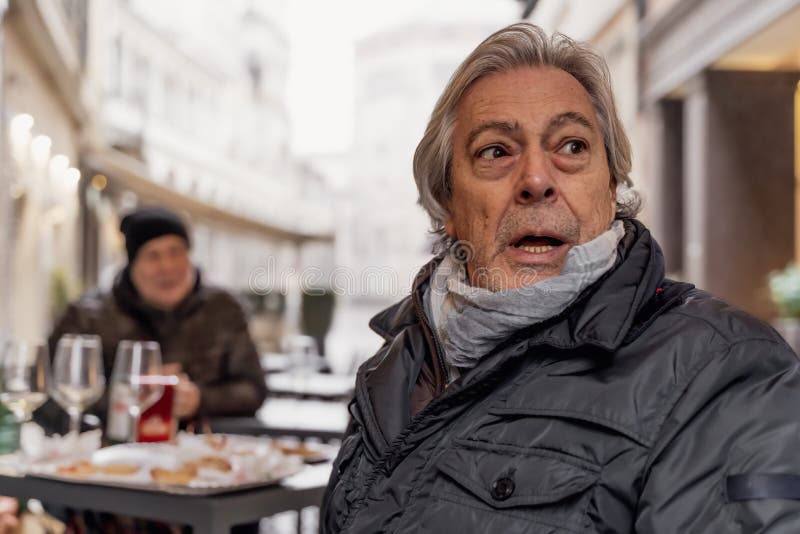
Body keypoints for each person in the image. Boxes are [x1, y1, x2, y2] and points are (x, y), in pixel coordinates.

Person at [320, 23, 800, 533]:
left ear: (611, 186)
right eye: (496, 151)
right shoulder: (398, 359)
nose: (535, 180)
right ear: (448, 203)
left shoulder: (725, 368)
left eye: (571, 146)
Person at [42, 206, 268, 431]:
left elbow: (254, 390)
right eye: (153, 255)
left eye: (175, 251)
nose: (167, 266)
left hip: (200, 448)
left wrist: (199, 399)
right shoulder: (86, 316)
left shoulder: (223, 309)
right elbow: (51, 397)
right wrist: (128, 393)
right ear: (132, 264)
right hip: (110, 450)